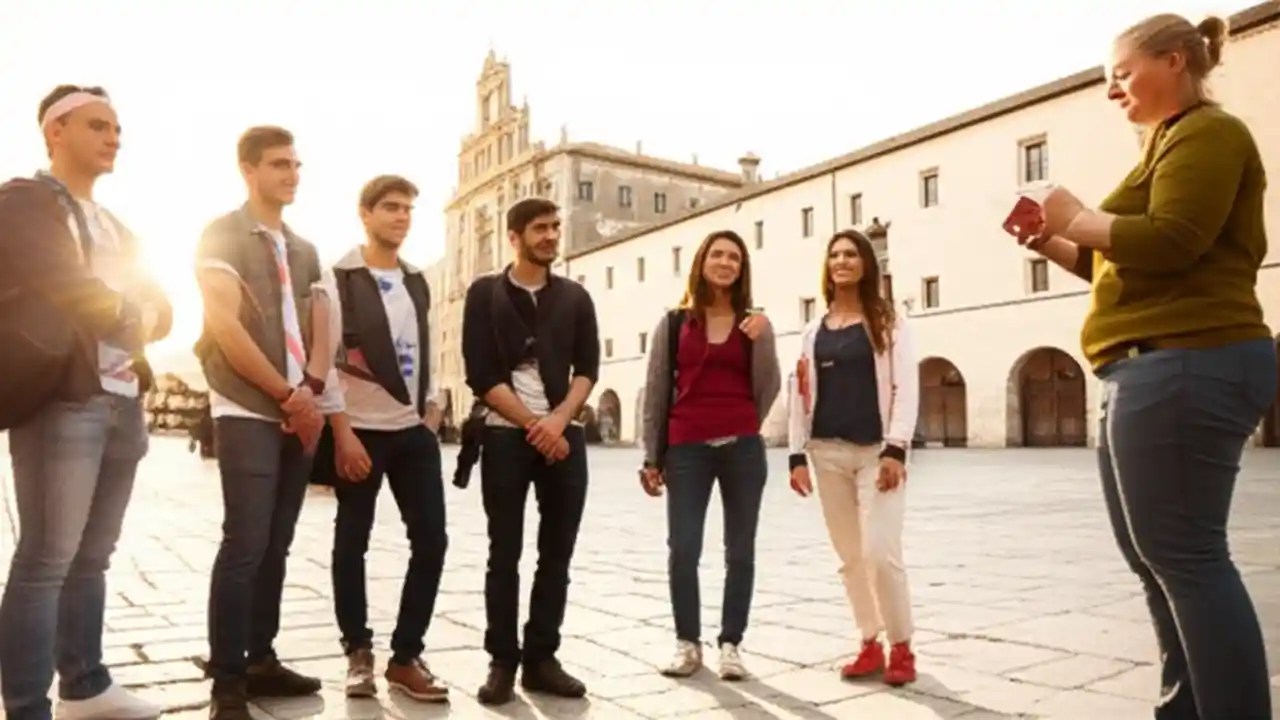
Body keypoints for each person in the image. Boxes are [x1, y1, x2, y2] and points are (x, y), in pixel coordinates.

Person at [1014, 13, 1272, 719]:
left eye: (1121, 74)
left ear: (1176, 62)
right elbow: (1116, 260)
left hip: (1189, 359)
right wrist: (1054, 244)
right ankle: (1183, 709)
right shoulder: (1162, 146)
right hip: (1145, 366)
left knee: (1186, 558)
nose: (1111, 91)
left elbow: (1173, 241)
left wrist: (1073, 214)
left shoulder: (1211, 133)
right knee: (1156, 561)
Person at [0, 85, 172, 720]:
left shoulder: (116, 226)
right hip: (65, 398)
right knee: (46, 557)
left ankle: (85, 686)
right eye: (98, 125)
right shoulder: (24, 200)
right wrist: (131, 309)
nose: (113, 137)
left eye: (118, 128)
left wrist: (136, 311)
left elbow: (165, 308)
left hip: (124, 400)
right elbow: (66, 284)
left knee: (92, 557)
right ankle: (25, 706)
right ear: (55, 131)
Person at [194, 126, 327, 719]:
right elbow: (225, 325)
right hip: (246, 403)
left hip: (299, 405)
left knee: (277, 541)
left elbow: (322, 327)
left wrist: (311, 391)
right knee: (245, 542)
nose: (292, 174)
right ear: (248, 169)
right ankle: (227, 682)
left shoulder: (304, 249)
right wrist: (284, 393)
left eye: (296, 164)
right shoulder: (222, 233)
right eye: (279, 164)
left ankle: (261, 660)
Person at [309, 175, 449, 701]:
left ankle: (406, 657)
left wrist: (431, 413)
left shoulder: (416, 279)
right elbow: (327, 362)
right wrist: (341, 432)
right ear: (364, 214)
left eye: (408, 209)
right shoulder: (337, 277)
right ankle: (358, 653)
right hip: (359, 430)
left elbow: (426, 348)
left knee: (431, 540)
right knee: (352, 542)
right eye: (390, 207)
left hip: (412, 432)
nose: (401, 217)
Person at [460, 197, 599, 705]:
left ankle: (542, 658)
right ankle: (503, 659)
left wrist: (558, 421)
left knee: (557, 553)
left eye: (555, 227)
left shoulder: (576, 298)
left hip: (565, 436)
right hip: (503, 436)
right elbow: (481, 374)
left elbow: (588, 368)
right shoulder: (484, 295)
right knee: (505, 552)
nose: (550, 236)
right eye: (540, 228)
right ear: (514, 237)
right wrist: (532, 424)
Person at [638, 230, 780, 681]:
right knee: (683, 548)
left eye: (734, 257)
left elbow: (769, 385)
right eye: (717, 254)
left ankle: (731, 644)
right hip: (686, 449)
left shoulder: (753, 323)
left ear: (742, 268)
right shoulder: (675, 322)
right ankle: (687, 643)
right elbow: (657, 389)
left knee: (740, 551)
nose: (725, 262)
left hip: (741, 447)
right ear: (701, 262)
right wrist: (651, 455)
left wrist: (767, 337)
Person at [785, 229, 919, 687]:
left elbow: (905, 387)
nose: (841, 261)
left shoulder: (888, 321)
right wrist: (795, 455)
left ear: (866, 264)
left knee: (880, 553)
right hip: (827, 453)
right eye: (834, 255)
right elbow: (799, 392)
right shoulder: (813, 330)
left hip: (876, 453)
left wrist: (896, 447)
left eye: (850, 254)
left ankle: (902, 646)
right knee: (849, 557)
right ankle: (869, 642)